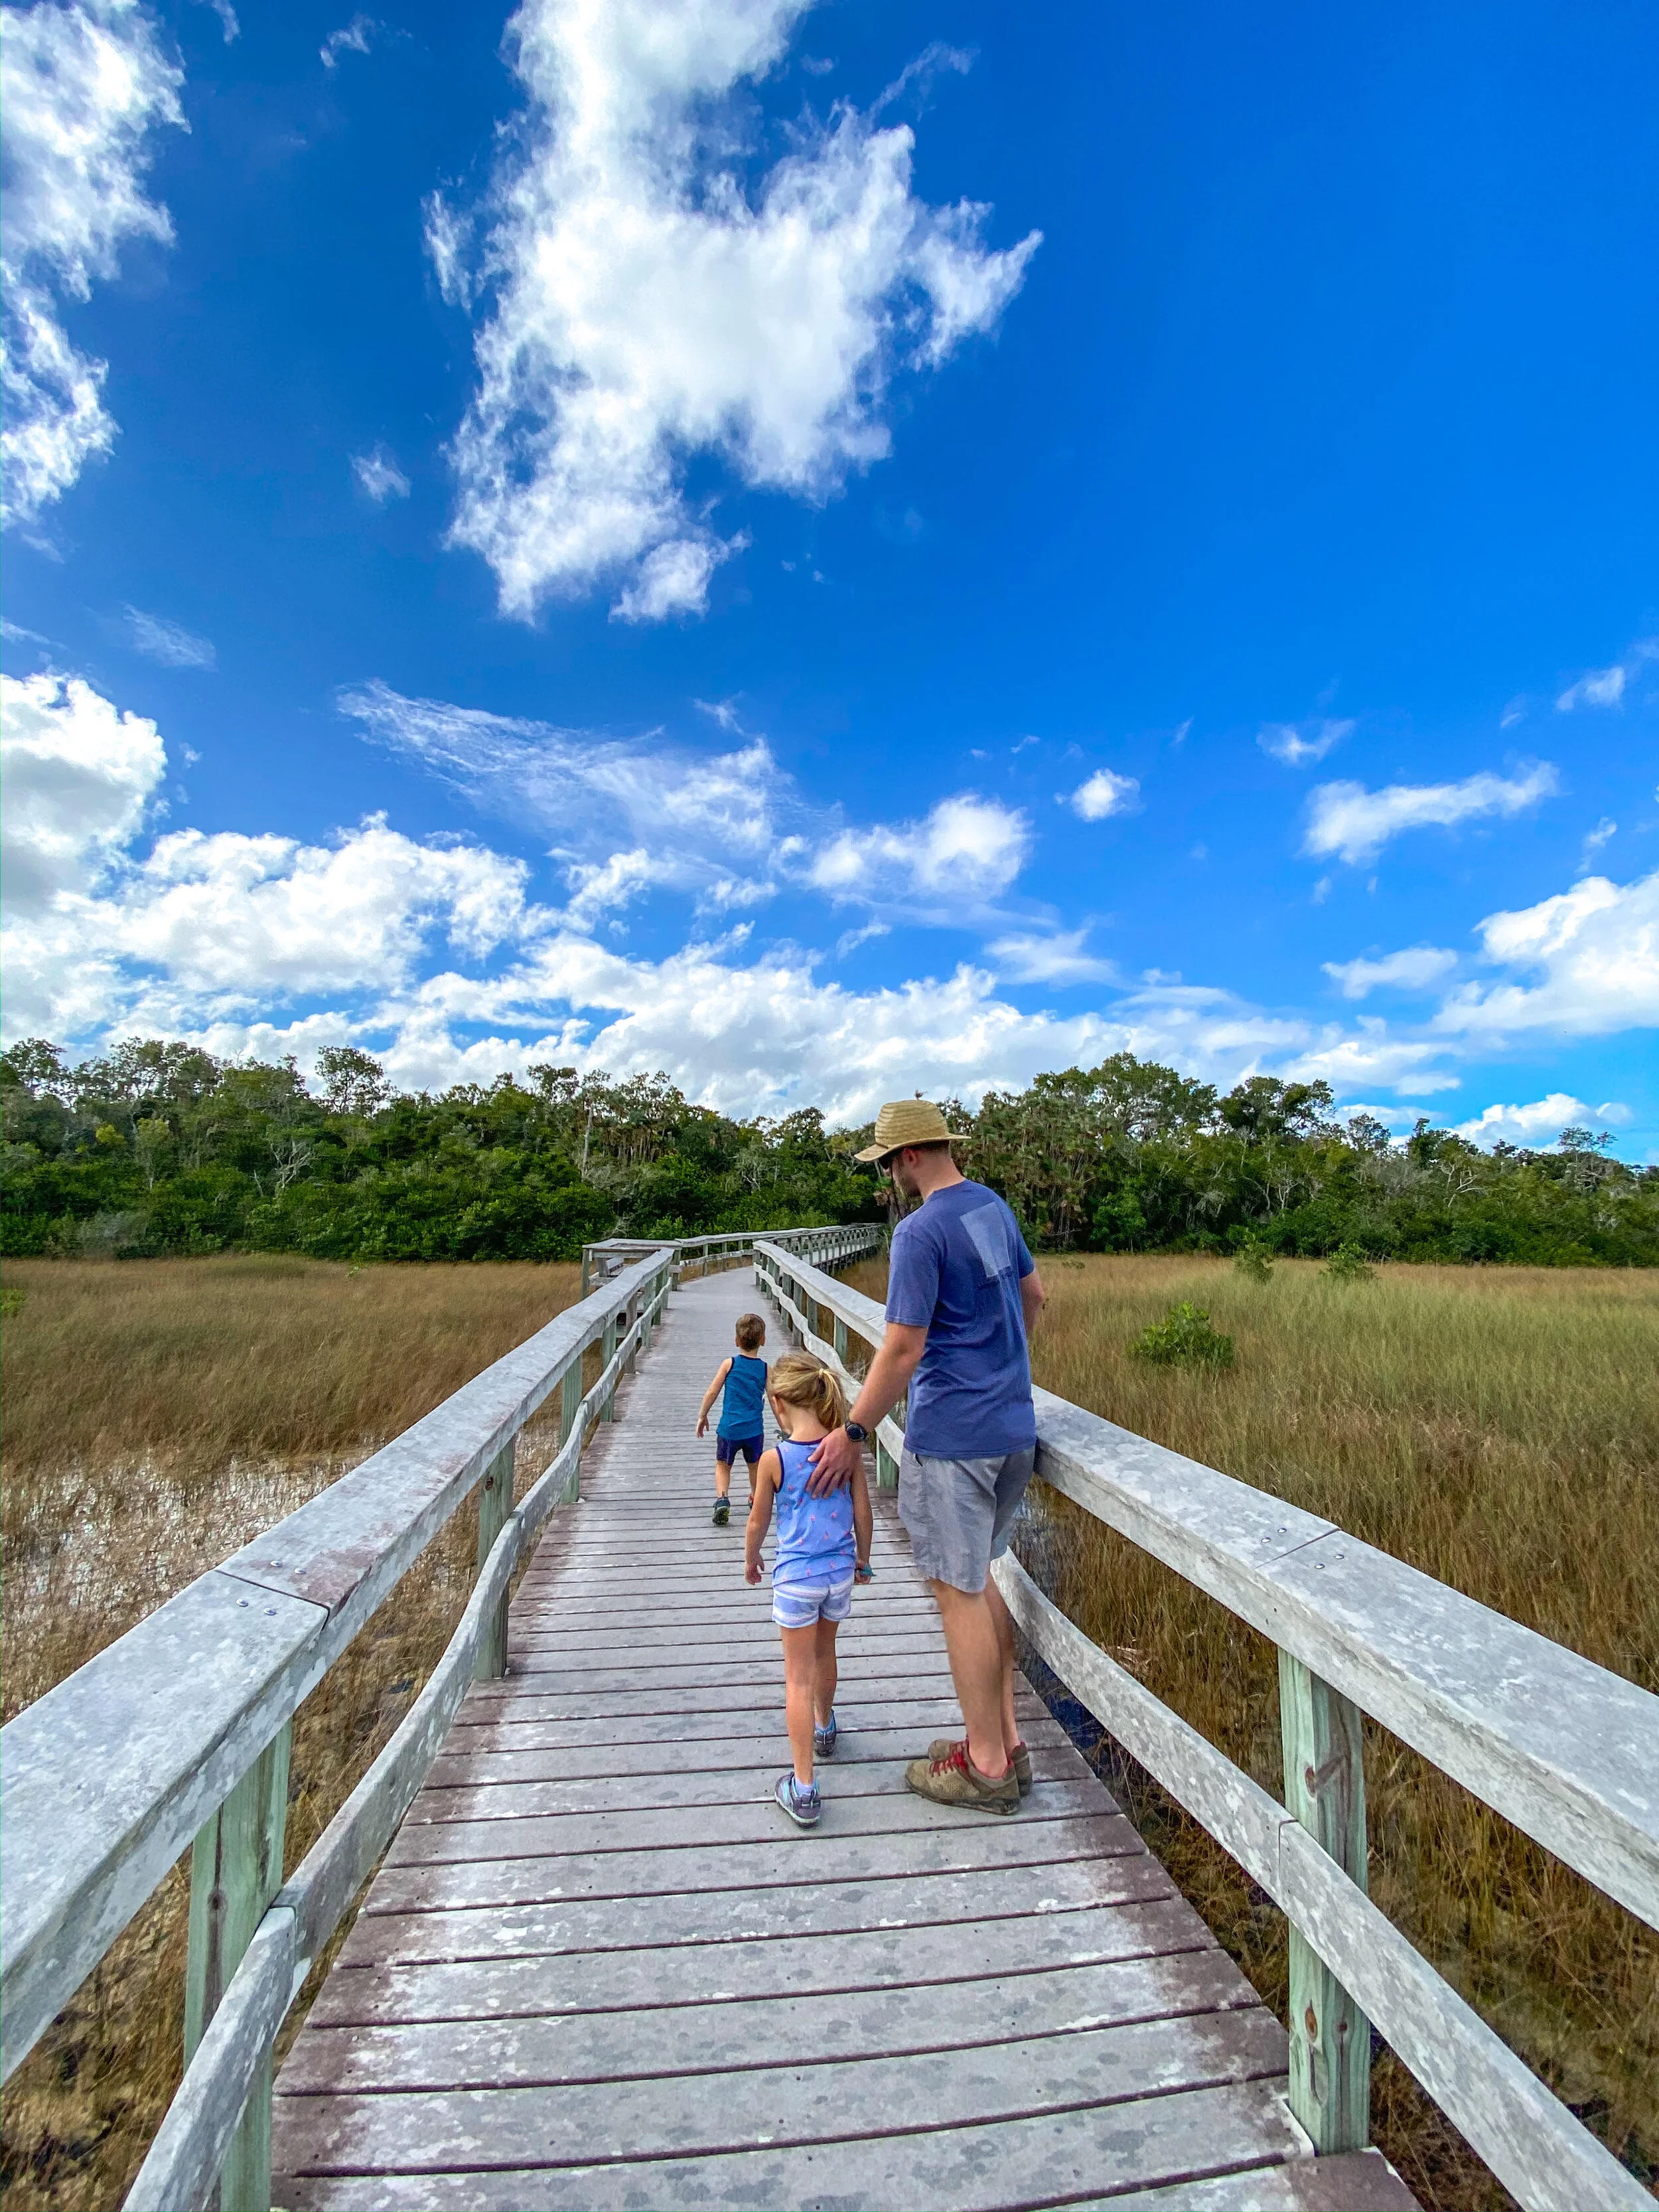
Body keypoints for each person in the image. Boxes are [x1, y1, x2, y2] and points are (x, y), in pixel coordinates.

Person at [807, 1098, 1044, 1815]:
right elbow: (1034, 1298)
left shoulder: (919, 1232)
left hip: (954, 1440)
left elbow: (903, 1346)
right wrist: (998, 1370)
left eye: (886, 1163)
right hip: (1010, 1429)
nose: (889, 1176)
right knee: (979, 1581)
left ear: (908, 1156)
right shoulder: (990, 1209)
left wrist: (851, 1433)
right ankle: (1002, 1742)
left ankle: (986, 1768)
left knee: (956, 1591)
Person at [745, 1351, 875, 1828]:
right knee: (827, 1652)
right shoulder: (845, 1452)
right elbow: (864, 1513)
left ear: (778, 1403)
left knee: (796, 1676)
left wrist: (751, 1557)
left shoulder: (774, 1459)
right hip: (838, 1573)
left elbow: (758, 1520)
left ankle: (803, 1787)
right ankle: (825, 1725)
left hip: (796, 1580)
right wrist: (863, 1560)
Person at [695, 1312, 768, 1526]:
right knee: (754, 1465)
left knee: (723, 1465)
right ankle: (755, 1498)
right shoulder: (765, 1369)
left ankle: (723, 1499)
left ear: (736, 1341)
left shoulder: (730, 1364)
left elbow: (712, 1392)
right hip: (754, 1430)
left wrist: (703, 1415)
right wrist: (787, 1428)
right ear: (763, 1340)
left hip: (729, 1429)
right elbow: (774, 1399)